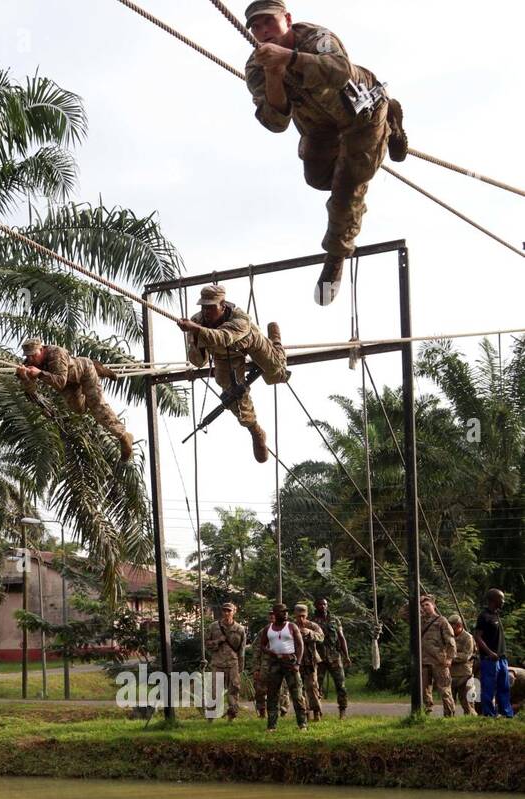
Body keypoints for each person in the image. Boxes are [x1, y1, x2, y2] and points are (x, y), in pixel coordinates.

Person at [243, 1, 408, 306]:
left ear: (287, 20)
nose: (262, 31)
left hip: (363, 115)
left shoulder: (316, 38)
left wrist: (290, 58)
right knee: (319, 178)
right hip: (321, 127)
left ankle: (337, 253)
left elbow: (340, 71)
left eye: (269, 22)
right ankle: (390, 128)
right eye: (255, 26)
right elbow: (275, 123)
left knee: (349, 182)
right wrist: (275, 75)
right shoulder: (256, 67)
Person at [177, 285, 289, 463]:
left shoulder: (240, 319)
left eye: (210, 307)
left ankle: (275, 339)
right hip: (224, 355)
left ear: (222, 305)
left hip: (249, 343)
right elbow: (198, 361)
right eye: (203, 306)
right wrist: (194, 334)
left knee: (276, 371)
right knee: (232, 395)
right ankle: (255, 430)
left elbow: (223, 337)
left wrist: (197, 330)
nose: (206, 311)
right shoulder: (197, 321)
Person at [16, 340, 134, 461]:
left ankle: (124, 437)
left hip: (84, 373)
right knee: (79, 409)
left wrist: (39, 373)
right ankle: (96, 369)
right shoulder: (29, 363)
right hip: (69, 383)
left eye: (33, 354)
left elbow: (60, 383)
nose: (31, 358)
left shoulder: (56, 354)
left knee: (97, 407)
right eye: (27, 355)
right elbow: (31, 391)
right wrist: (24, 377)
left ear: (41, 350)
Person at [260, 603, 308, 730]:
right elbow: (262, 645)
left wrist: (298, 663)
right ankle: (271, 726)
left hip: (290, 662)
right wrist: (269, 651)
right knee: (272, 695)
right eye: (282, 612)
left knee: (297, 694)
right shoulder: (268, 628)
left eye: (286, 611)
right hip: (275, 663)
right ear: (275, 614)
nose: (285, 614)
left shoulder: (292, 626)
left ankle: (302, 724)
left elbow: (300, 645)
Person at [474, 589, 515, 718]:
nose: (503, 601)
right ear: (493, 600)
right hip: (489, 659)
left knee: (504, 687)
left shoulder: (496, 614)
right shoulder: (484, 616)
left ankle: (506, 714)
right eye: (501, 599)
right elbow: (478, 637)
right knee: (489, 688)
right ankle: (489, 714)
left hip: (502, 658)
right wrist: (489, 652)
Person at [417, 594, 457, 717]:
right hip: (423, 660)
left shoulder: (441, 621)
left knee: (444, 690)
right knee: (424, 690)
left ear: (433, 606)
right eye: (422, 606)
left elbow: (450, 641)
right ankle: (427, 713)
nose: (424, 607)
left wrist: (449, 658)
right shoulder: (420, 621)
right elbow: (403, 614)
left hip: (439, 661)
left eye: (427, 605)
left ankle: (449, 714)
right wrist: (415, 601)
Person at [205, 602, 246, 720]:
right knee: (214, 691)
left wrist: (241, 668)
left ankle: (232, 715)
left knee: (233, 690)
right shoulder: (214, 627)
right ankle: (211, 717)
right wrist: (218, 641)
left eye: (229, 610)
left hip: (233, 664)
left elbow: (242, 650)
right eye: (224, 610)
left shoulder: (240, 629)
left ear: (234, 612)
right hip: (217, 663)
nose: (226, 613)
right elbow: (207, 644)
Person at [312, 597, 350, 718]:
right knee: (316, 686)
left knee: (341, 685)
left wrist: (346, 656)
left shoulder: (334, 620)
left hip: (334, 656)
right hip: (318, 657)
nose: (322, 606)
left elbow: (341, 638)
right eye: (320, 604)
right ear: (315, 606)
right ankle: (317, 711)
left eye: (324, 604)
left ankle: (342, 710)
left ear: (327, 606)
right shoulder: (311, 621)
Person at [293, 604, 324, 721]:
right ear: (295, 615)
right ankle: (304, 713)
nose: (301, 618)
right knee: (299, 689)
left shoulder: (312, 625)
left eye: (303, 616)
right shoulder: (291, 626)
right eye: (298, 616)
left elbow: (321, 637)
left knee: (312, 687)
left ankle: (316, 711)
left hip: (311, 661)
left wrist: (310, 633)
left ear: (306, 615)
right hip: (296, 661)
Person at [448, 614, 477, 716]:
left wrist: (449, 657)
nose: (451, 628)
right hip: (450, 674)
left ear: (459, 625)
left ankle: (471, 721)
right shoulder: (448, 637)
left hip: (465, 675)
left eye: (453, 626)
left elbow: (465, 656)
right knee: (449, 702)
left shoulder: (468, 637)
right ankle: (448, 722)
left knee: (468, 702)